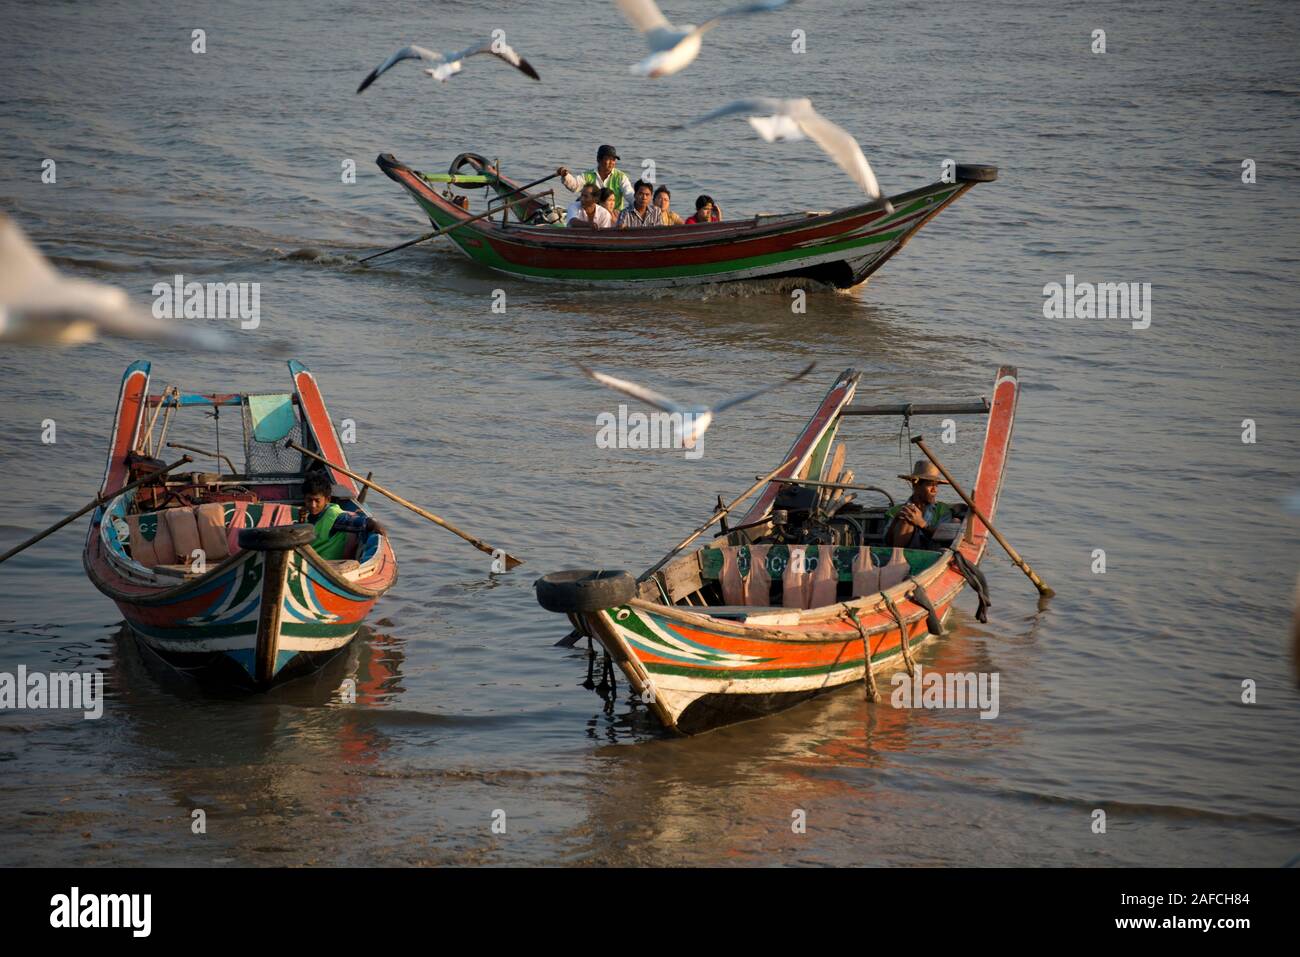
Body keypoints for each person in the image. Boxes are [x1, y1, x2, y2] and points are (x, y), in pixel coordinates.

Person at [300, 471, 383, 561]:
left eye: (317, 501)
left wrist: (375, 525)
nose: (313, 505)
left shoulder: (335, 517)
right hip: (307, 560)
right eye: (309, 500)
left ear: (327, 499)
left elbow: (363, 523)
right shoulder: (307, 514)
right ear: (304, 499)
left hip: (325, 567)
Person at [885, 460, 955, 549]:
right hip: (901, 554)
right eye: (930, 485)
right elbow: (887, 542)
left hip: (932, 554)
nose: (934, 490)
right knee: (906, 519)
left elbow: (944, 538)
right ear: (916, 485)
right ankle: (897, 559)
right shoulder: (896, 511)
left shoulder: (942, 509)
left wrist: (922, 524)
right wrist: (896, 520)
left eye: (936, 485)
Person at [556, 145, 635, 213]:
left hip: (614, 217)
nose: (611, 162)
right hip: (592, 215)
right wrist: (565, 175)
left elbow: (629, 195)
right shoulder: (588, 175)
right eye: (608, 159)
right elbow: (574, 186)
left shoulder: (621, 177)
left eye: (613, 159)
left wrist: (640, 205)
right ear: (599, 159)